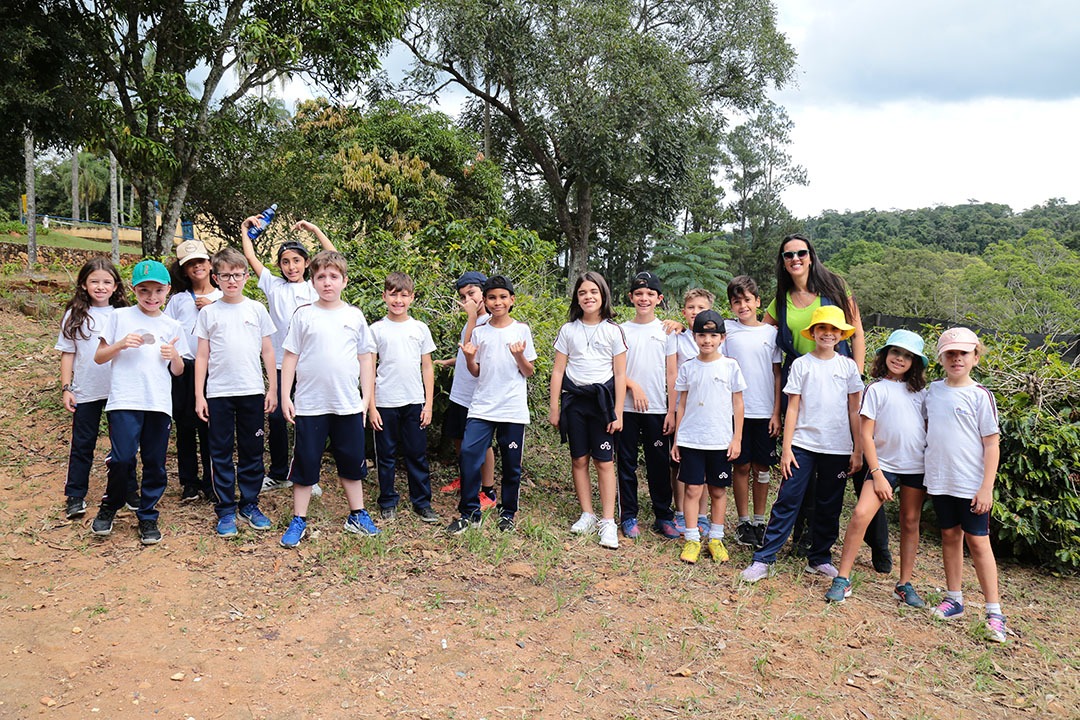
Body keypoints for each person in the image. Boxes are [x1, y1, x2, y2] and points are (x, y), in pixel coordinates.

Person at [764, 233, 889, 570]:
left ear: (811, 255)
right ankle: (798, 546)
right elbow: (757, 332)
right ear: (783, 260)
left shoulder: (834, 286)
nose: (795, 259)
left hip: (840, 380)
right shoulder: (781, 297)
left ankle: (877, 548)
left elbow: (858, 331)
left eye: (801, 253)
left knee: (848, 476)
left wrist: (855, 375)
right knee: (799, 476)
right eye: (788, 254)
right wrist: (696, 328)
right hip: (802, 380)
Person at [741, 305, 863, 583]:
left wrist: (857, 449)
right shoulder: (802, 365)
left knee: (830, 504)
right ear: (813, 332)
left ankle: (819, 557)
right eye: (823, 328)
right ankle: (764, 558)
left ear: (842, 335)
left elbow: (854, 409)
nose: (828, 334)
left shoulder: (848, 368)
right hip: (802, 445)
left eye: (834, 329)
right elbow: (792, 409)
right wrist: (786, 448)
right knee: (788, 499)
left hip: (837, 447)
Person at [278, 251, 378, 548]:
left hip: (347, 403)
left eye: (333, 276)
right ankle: (299, 519)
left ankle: (357, 514)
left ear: (344, 281)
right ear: (313, 281)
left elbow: (366, 358)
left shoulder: (354, 315)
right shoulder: (304, 315)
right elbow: (290, 356)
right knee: (306, 462)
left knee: (351, 460)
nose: (327, 282)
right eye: (321, 277)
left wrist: (366, 399)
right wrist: (285, 395)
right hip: (310, 404)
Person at [825, 330, 929, 607]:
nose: (900, 359)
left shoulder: (922, 394)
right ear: (885, 355)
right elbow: (866, 435)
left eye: (908, 356)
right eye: (896, 352)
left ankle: (905, 584)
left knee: (910, 522)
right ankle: (843, 578)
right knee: (860, 514)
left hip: (915, 468)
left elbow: (927, 430)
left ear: (915, 363)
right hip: (883, 467)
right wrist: (878, 473)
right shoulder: (876, 389)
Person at [91, 260, 190, 545]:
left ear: (168, 290)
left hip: (158, 402)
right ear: (134, 289)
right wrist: (121, 344)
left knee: (154, 461)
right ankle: (110, 505)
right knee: (122, 458)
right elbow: (99, 357)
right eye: (144, 290)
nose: (151, 296)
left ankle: (147, 515)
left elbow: (178, 371)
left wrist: (175, 356)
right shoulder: (119, 317)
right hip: (124, 399)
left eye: (158, 290)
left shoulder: (172, 325)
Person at [241, 217, 336, 495]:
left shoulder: (314, 287)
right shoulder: (273, 286)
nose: (291, 266)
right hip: (281, 365)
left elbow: (333, 258)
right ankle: (279, 473)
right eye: (285, 261)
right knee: (277, 419)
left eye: (296, 260)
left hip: (310, 365)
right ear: (279, 266)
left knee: (308, 419)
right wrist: (245, 231)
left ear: (307, 263)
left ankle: (307, 475)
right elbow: (249, 256)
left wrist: (315, 229)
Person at [924, 328, 1008, 643]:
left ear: (975, 356)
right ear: (941, 358)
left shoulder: (980, 395)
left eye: (963, 353)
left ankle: (994, 612)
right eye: (950, 353)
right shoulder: (932, 391)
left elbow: (991, 444)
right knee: (949, 536)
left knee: (978, 542)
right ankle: (954, 599)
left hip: (971, 484)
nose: (956, 358)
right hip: (941, 480)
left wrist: (986, 487)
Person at [193, 248, 278, 537]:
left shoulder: (256, 309)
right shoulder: (209, 313)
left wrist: (273, 388)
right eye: (226, 275)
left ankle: (250, 503)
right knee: (220, 452)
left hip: (252, 391)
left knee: (252, 450)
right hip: (218, 393)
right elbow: (202, 356)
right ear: (215, 278)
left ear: (245, 277)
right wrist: (199, 395)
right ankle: (226, 509)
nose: (232, 280)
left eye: (238, 275)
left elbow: (268, 350)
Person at [447, 275, 537, 534]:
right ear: (485, 301)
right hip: (482, 407)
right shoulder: (479, 332)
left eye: (502, 297)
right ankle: (469, 512)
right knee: (469, 456)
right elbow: (476, 372)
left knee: (511, 464)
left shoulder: (521, 330)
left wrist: (519, 355)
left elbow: (528, 371)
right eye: (492, 298)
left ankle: (507, 513)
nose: (497, 302)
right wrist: (470, 359)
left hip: (512, 409)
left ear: (512, 300)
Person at [549, 271, 627, 549]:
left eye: (593, 291)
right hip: (575, 402)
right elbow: (558, 371)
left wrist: (617, 412)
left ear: (603, 295)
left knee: (604, 461)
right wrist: (554, 407)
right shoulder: (568, 330)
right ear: (576, 297)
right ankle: (587, 513)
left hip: (602, 403)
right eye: (582, 292)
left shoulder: (613, 330)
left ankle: (608, 521)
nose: (588, 297)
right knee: (579, 459)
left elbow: (620, 375)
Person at [56, 258, 135, 519]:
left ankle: (129, 490)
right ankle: (75, 495)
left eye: (106, 282)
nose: (100, 287)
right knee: (82, 444)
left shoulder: (124, 313)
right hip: (87, 390)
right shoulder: (75, 315)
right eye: (94, 281)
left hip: (120, 390)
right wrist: (67, 387)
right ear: (83, 284)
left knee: (124, 445)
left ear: (115, 286)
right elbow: (68, 353)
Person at [671, 310, 746, 564]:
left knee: (718, 490)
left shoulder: (730, 366)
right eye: (702, 335)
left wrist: (737, 439)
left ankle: (716, 538)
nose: (707, 340)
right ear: (694, 337)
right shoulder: (688, 367)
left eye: (713, 335)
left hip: (720, 440)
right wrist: (677, 440)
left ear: (722, 338)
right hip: (692, 439)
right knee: (692, 489)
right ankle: (692, 538)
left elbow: (738, 404)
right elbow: (681, 404)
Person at [369, 272, 440, 524]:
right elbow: (368, 368)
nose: (398, 300)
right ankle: (387, 501)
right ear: (384, 296)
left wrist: (428, 404)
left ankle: (422, 502)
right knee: (386, 456)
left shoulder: (420, 328)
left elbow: (427, 367)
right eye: (393, 294)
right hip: (385, 403)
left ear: (412, 297)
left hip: (414, 402)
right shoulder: (375, 330)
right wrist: (371, 406)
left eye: (403, 295)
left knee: (417, 454)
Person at [617, 272, 679, 540]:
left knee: (658, 464)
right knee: (626, 463)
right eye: (639, 294)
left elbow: (672, 374)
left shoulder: (667, 331)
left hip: (656, 410)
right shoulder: (619, 330)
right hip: (626, 409)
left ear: (659, 299)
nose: (644, 299)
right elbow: (613, 369)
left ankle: (663, 515)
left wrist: (671, 410)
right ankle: (628, 515)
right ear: (631, 297)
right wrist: (633, 385)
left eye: (650, 294)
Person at [723, 276, 781, 550]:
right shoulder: (727, 331)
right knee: (741, 465)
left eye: (747, 299)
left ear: (758, 301)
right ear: (731, 306)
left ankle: (760, 520)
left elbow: (776, 374)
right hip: (737, 412)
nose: (742, 305)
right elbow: (696, 327)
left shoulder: (771, 334)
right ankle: (743, 521)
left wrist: (777, 412)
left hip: (765, 410)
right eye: (736, 301)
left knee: (762, 466)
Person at [433, 271, 497, 510]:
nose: (467, 300)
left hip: (478, 395)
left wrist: (471, 317)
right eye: (463, 296)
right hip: (460, 392)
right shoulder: (473, 321)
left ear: (484, 293)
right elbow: (466, 351)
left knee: (483, 443)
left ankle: (488, 491)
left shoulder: (488, 322)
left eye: (471, 293)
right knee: (459, 438)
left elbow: (474, 346)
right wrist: (448, 362)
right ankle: (468, 478)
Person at [164, 239, 222, 502]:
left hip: (214, 369)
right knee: (185, 425)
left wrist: (213, 308)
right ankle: (189, 482)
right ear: (184, 270)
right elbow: (165, 328)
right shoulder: (177, 299)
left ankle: (212, 482)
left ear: (210, 264)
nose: (196, 267)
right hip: (184, 367)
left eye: (201, 261)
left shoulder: (224, 296)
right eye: (190, 264)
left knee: (210, 426)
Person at [669, 288, 715, 537]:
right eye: (691, 308)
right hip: (682, 409)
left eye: (701, 308)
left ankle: (702, 514)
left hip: (709, 413)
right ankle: (679, 510)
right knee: (679, 463)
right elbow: (673, 374)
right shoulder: (678, 337)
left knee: (705, 466)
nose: (696, 312)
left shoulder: (717, 338)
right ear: (684, 312)